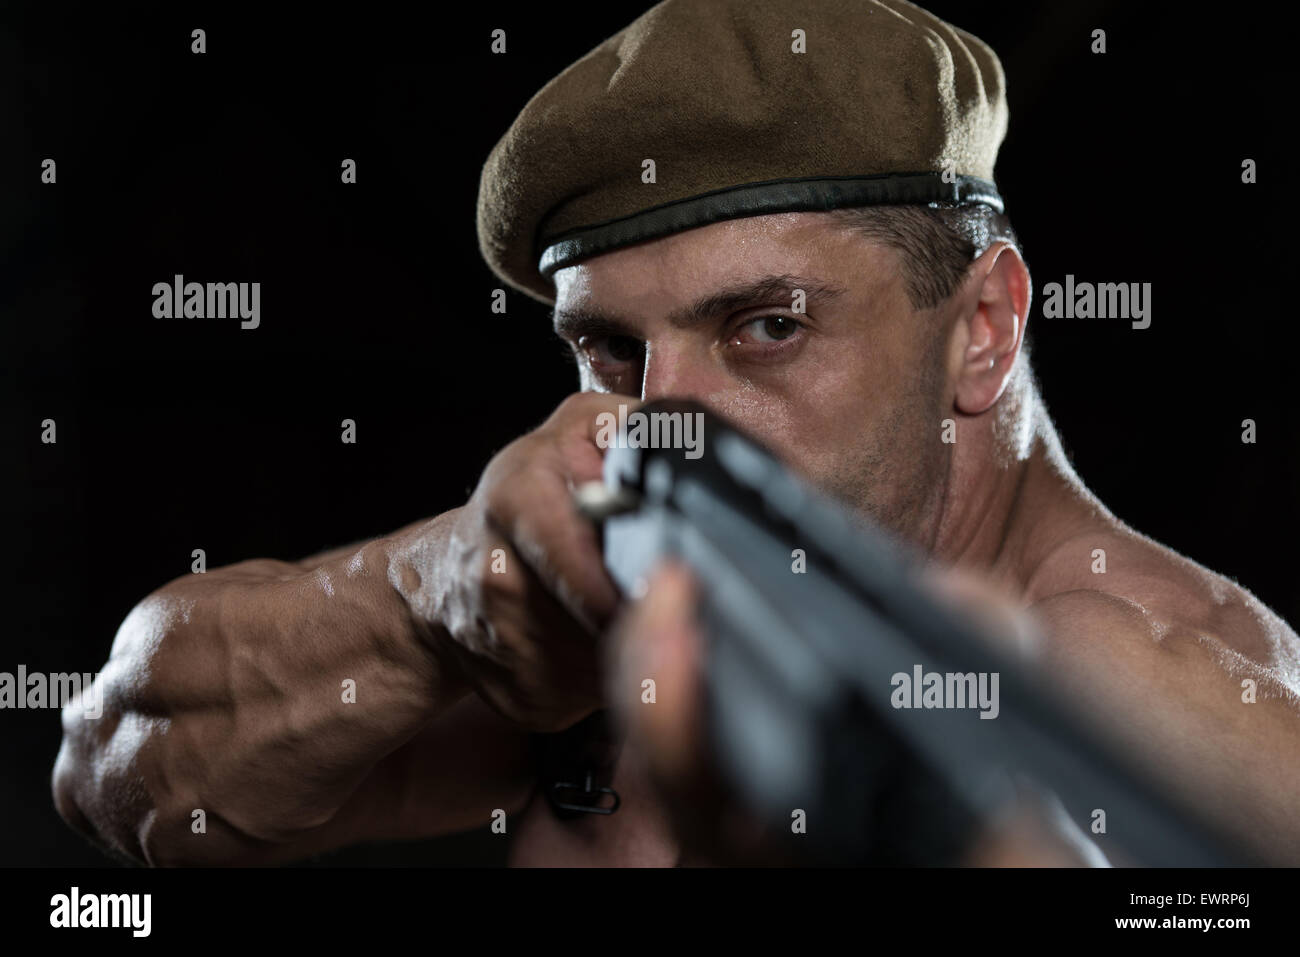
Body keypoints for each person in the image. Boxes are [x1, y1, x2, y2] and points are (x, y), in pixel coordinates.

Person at [53, 0, 1300, 866]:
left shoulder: (1153, 677)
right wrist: (434, 597)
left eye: (765, 327)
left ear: (980, 326)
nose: (665, 417)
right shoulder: (592, 602)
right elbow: (130, 774)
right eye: (612, 350)